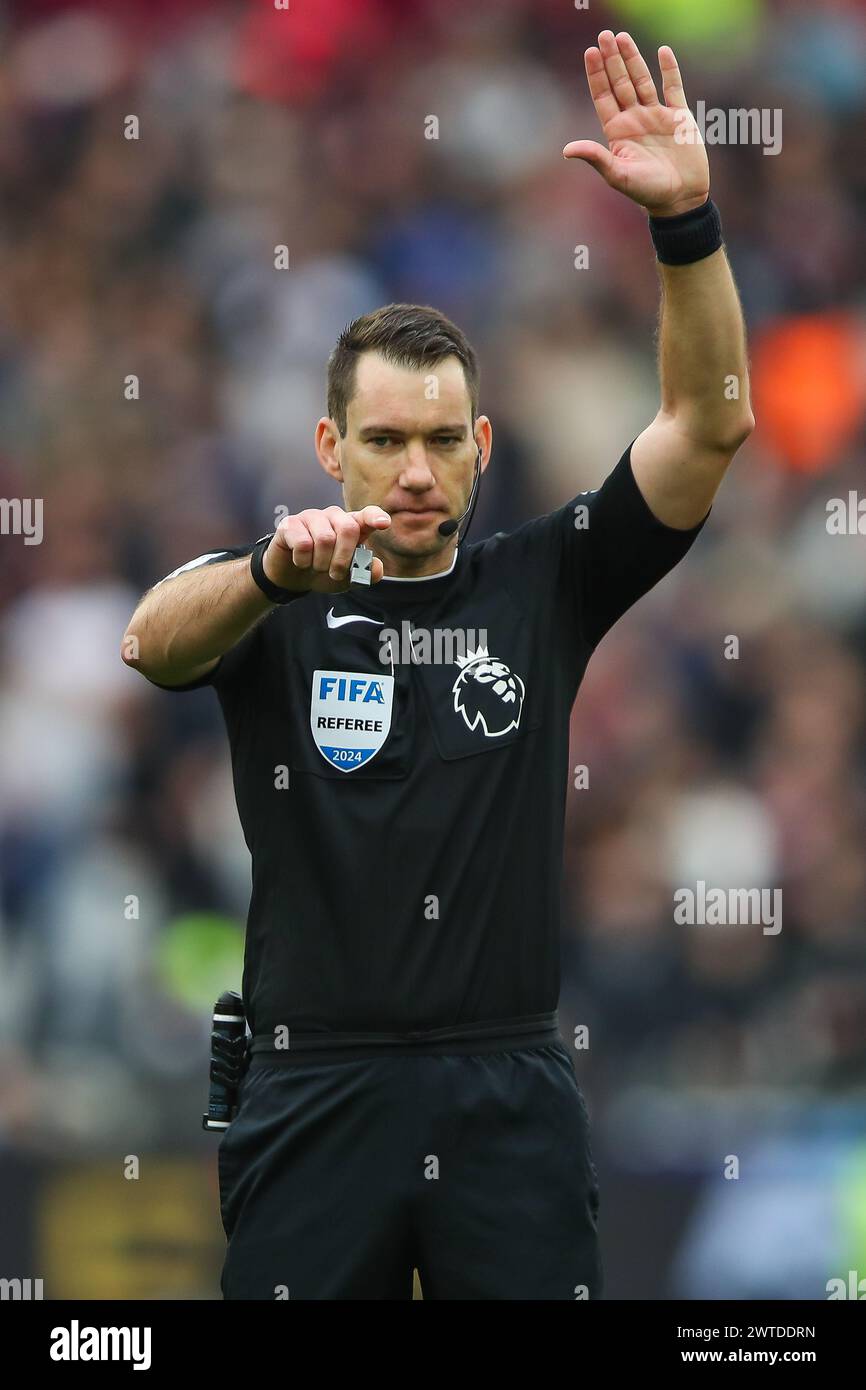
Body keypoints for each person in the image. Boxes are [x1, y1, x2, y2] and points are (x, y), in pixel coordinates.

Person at [121, 31, 754, 1299]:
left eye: (436, 440)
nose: (411, 470)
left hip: (503, 1087)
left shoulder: (544, 581)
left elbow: (706, 421)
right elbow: (149, 639)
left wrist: (684, 219)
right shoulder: (273, 590)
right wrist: (262, 577)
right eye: (381, 439)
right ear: (329, 446)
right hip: (314, 1083)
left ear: (479, 445)